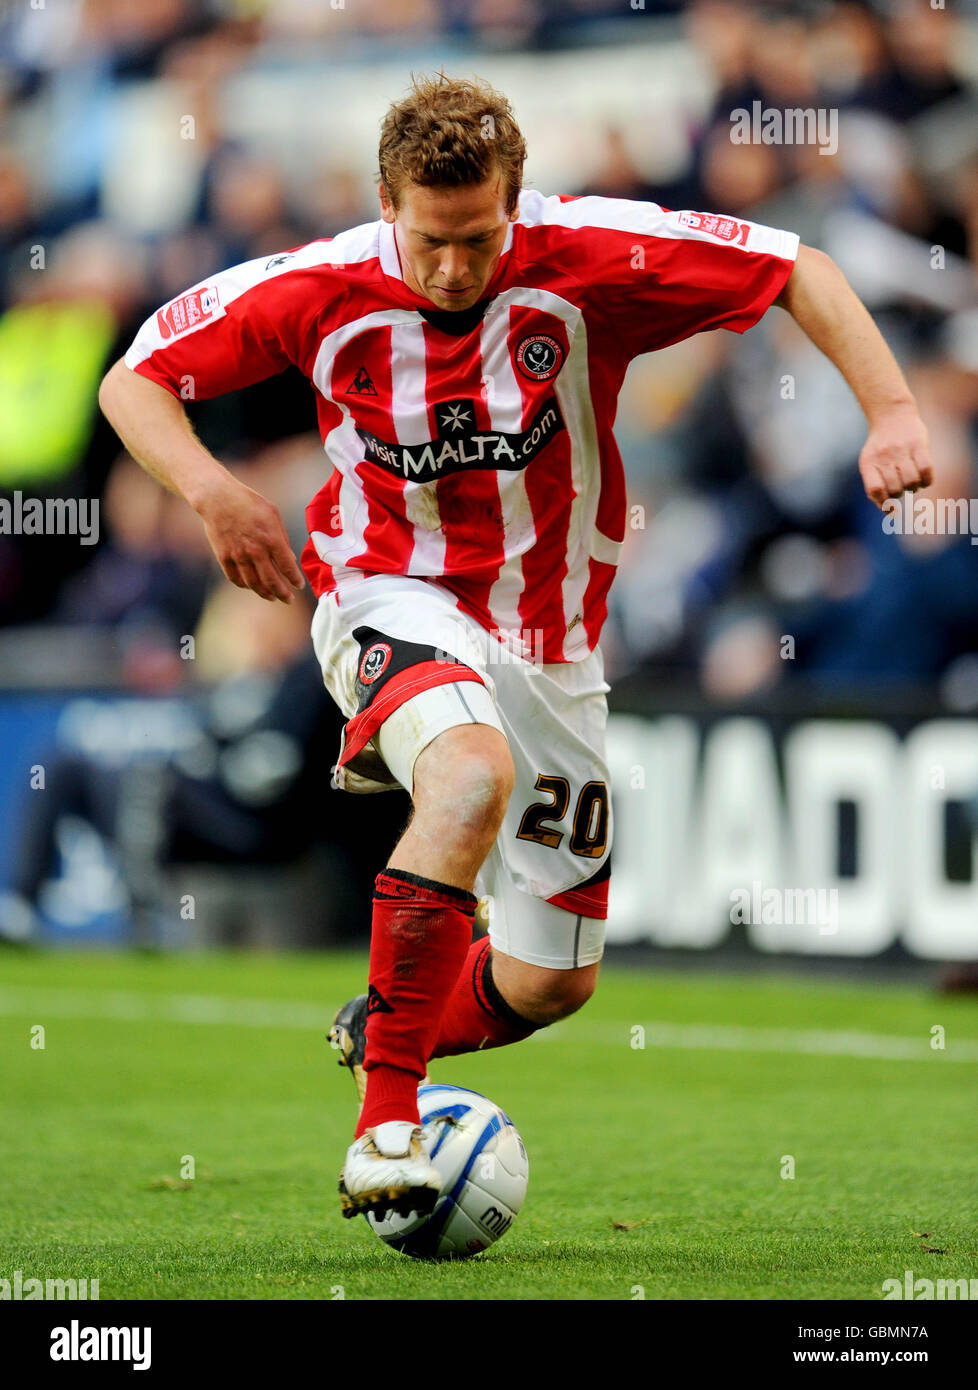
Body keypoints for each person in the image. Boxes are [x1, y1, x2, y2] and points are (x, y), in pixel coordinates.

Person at [98, 73, 933, 1223]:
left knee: (550, 980)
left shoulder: (597, 254)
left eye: (479, 237)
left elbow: (800, 268)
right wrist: (210, 491)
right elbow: (134, 376)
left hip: (551, 639)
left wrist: (892, 412)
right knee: (470, 772)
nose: (452, 268)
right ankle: (386, 1125)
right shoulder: (315, 286)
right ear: (386, 200)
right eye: (430, 240)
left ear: (516, 200)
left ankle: (386, 1024)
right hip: (388, 591)